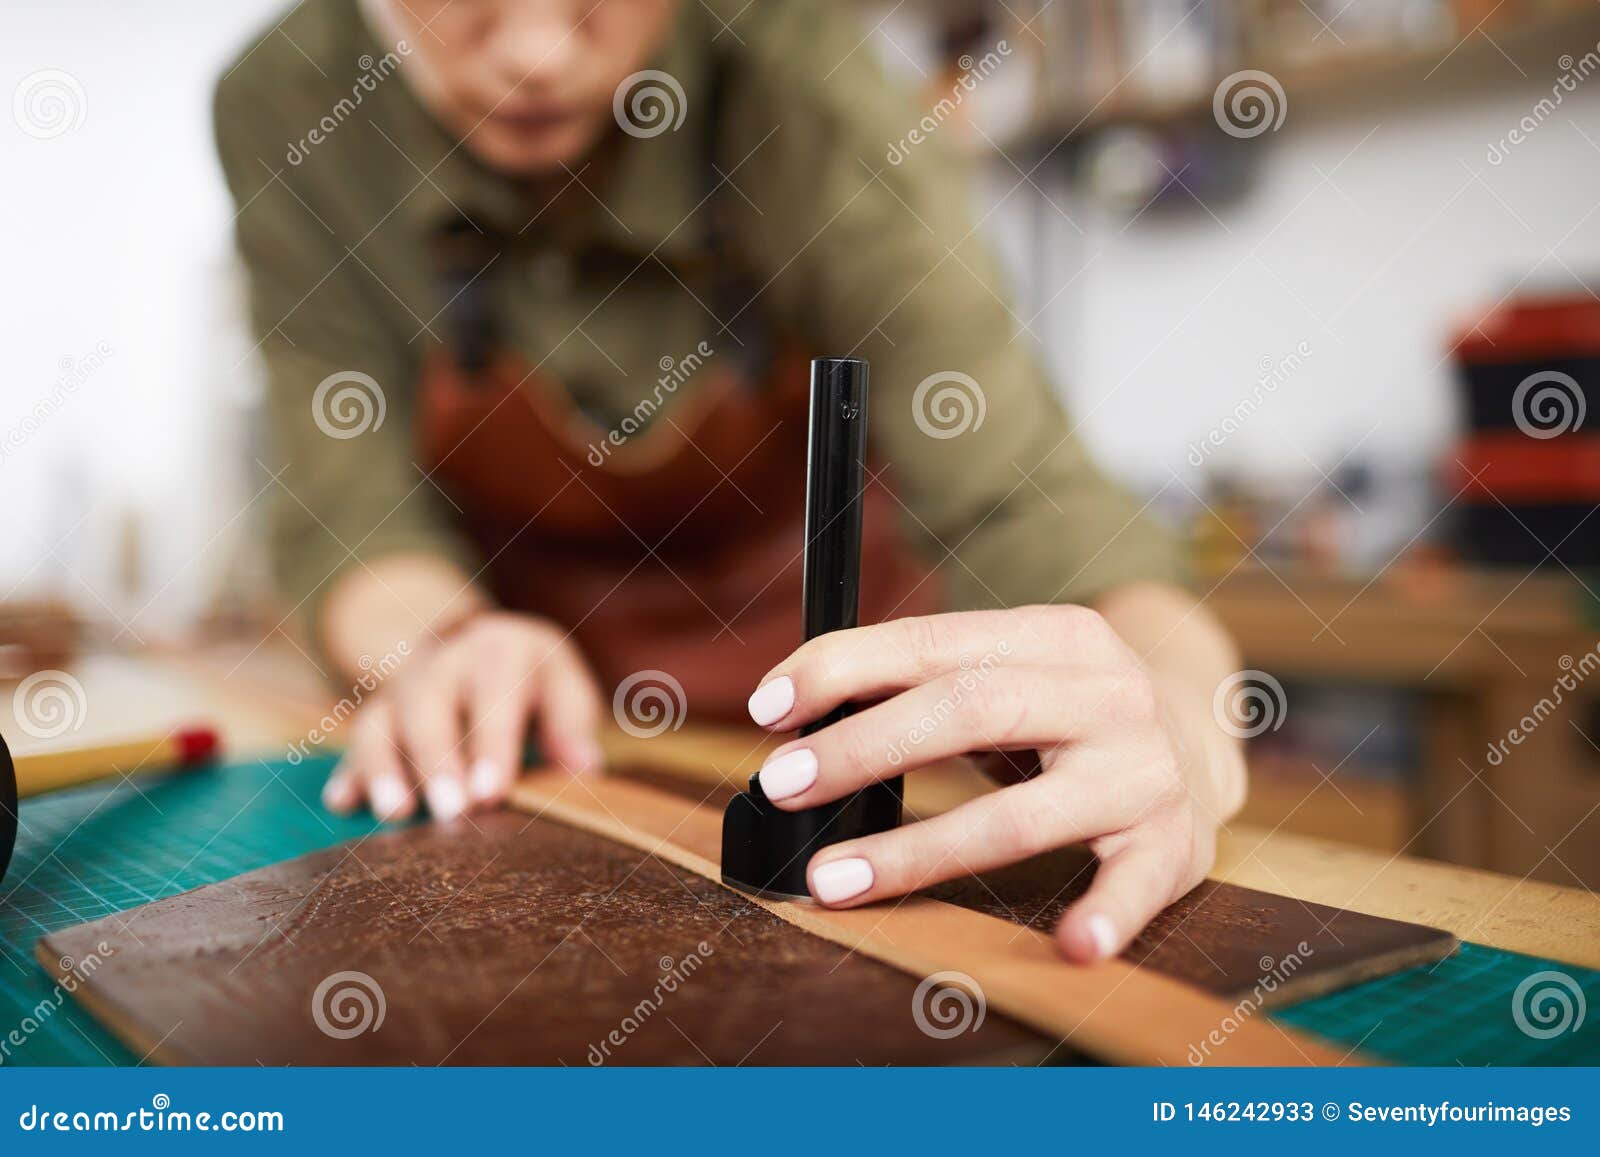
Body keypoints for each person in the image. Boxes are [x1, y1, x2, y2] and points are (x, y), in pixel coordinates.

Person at [215, 0, 1246, 963]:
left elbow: (1026, 502)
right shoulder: (295, 104)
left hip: (849, 740)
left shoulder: (809, 88)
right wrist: (436, 648)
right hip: (558, 755)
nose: (532, 50)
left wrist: (1182, 713)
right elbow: (348, 514)